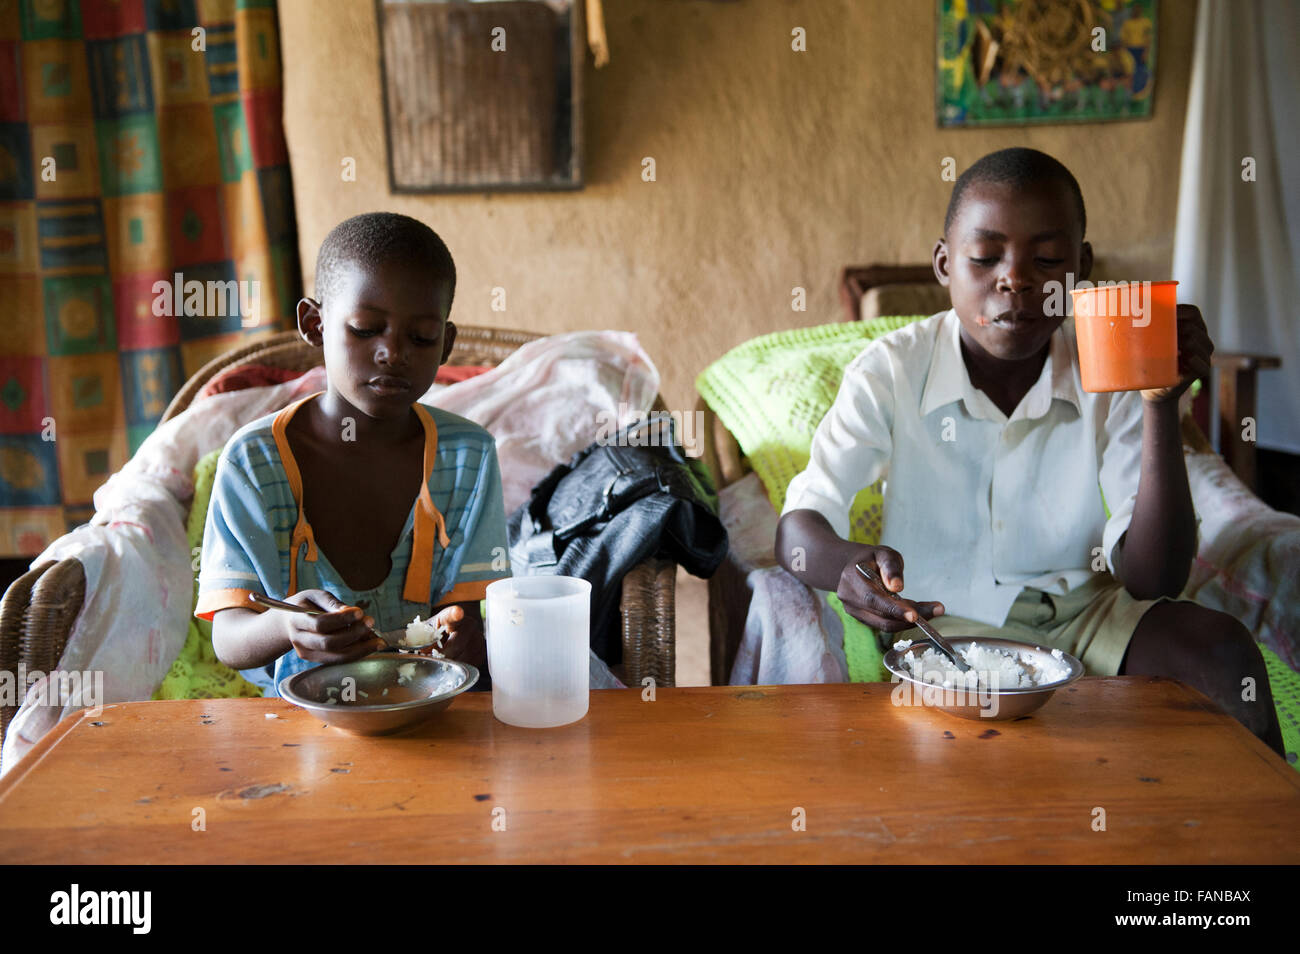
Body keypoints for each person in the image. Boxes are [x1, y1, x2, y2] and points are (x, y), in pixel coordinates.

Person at [776, 147, 1284, 755]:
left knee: (1221, 651)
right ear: (943, 264)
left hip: (1083, 616)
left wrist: (1158, 403)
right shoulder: (891, 371)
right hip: (935, 625)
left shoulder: (1111, 367)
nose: (1015, 279)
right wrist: (848, 569)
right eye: (985, 257)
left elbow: (1155, 579)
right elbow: (797, 534)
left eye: (1046, 259)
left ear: (1081, 267)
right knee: (970, 753)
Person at [197, 212, 508, 693]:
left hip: (430, 705)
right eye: (366, 329)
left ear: (445, 345)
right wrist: (285, 627)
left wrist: (466, 638)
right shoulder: (253, 463)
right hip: (297, 721)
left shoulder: (469, 455)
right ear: (314, 324)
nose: (393, 353)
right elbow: (229, 638)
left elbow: (465, 616)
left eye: (421, 337)